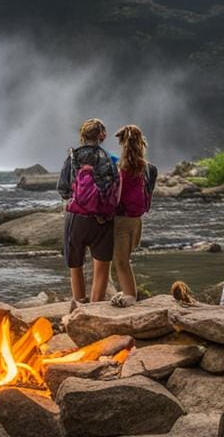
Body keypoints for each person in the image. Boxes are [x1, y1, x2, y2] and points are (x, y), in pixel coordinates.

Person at [57, 118, 120, 306]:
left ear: (83, 135)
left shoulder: (73, 157)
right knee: (101, 269)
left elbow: (62, 188)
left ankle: (78, 308)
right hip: (101, 219)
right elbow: (114, 188)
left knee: (75, 266)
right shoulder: (109, 158)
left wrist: (77, 199)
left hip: (76, 218)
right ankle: (94, 309)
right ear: (102, 135)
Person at [110, 124, 158, 307]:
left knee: (120, 262)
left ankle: (130, 296)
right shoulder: (150, 168)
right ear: (141, 143)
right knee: (124, 260)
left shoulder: (118, 168)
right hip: (137, 221)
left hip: (120, 220)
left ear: (123, 143)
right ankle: (128, 292)